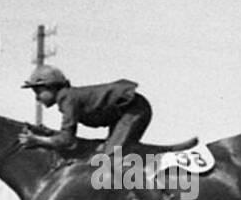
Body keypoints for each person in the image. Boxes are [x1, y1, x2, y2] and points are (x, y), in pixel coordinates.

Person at [16, 66, 152, 155]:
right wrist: (47, 133)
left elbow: (68, 140)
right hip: (124, 112)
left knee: (110, 158)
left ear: (51, 86)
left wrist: (38, 140)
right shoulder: (67, 97)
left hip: (134, 109)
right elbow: (67, 137)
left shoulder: (67, 98)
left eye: (38, 92)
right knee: (105, 153)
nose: (37, 98)